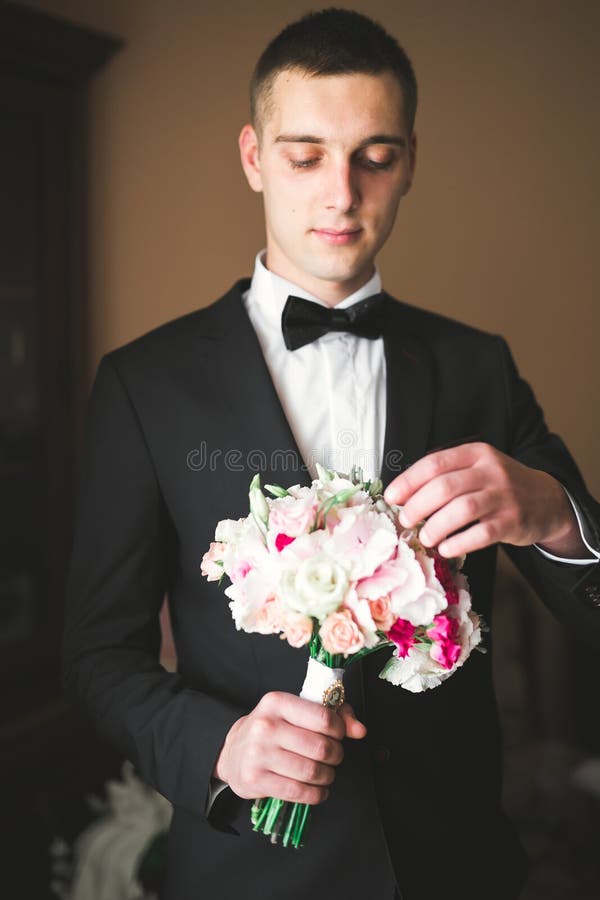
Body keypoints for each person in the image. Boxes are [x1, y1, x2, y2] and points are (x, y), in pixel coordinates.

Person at [63, 9, 600, 900]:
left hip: (459, 867)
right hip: (250, 874)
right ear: (253, 157)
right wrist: (220, 748)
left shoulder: (480, 367)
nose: (341, 193)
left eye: (374, 156)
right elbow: (95, 655)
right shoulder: (142, 383)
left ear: (411, 162)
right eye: (305, 155)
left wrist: (554, 514)